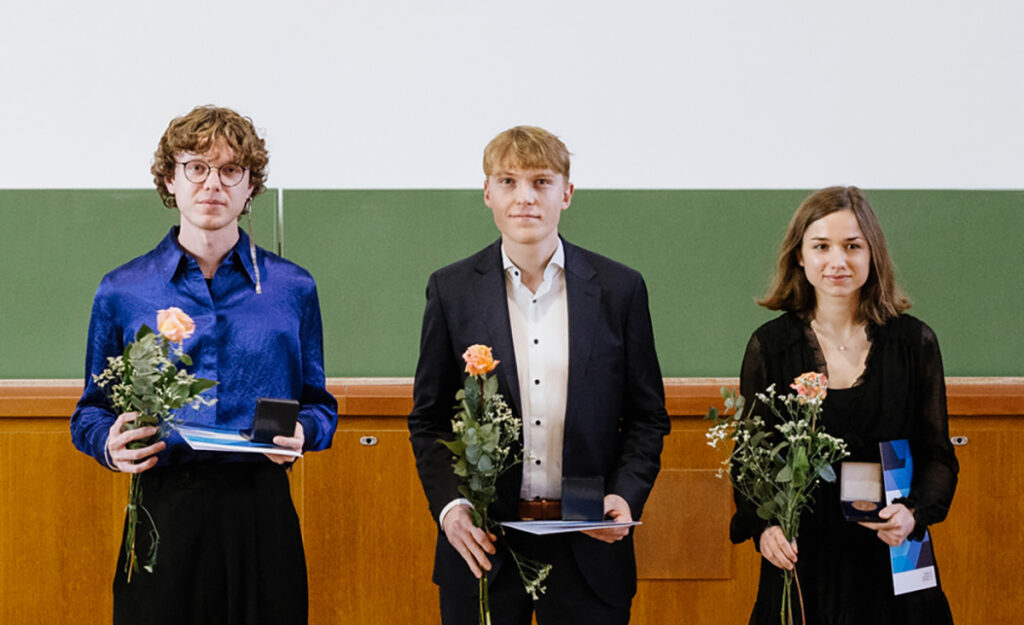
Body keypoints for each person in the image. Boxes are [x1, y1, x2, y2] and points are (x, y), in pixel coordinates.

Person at [70, 105, 338, 625]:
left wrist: (306, 431)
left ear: (249, 187)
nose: (212, 184)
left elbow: (320, 406)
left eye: (230, 170)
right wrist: (109, 442)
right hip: (164, 508)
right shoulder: (124, 290)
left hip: (261, 509)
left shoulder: (293, 288)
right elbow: (89, 413)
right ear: (171, 178)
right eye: (196, 167)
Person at [407, 125, 670, 624]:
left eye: (541, 182)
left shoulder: (619, 290)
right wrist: (450, 509)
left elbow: (647, 418)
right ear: (487, 193)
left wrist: (625, 495)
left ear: (566, 193)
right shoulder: (451, 289)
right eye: (507, 181)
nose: (524, 197)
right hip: (483, 545)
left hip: (588, 543)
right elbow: (429, 420)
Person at [732, 186, 959, 624]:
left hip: (893, 558)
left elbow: (938, 457)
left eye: (853, 246)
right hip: (803, 560)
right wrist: (765, 529)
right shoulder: (771, 347)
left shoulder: (914, 343)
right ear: (800, 255)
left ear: (873, 254)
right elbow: (749, 461)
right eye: (821, 246)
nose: (838, 262)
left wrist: (912, 515)